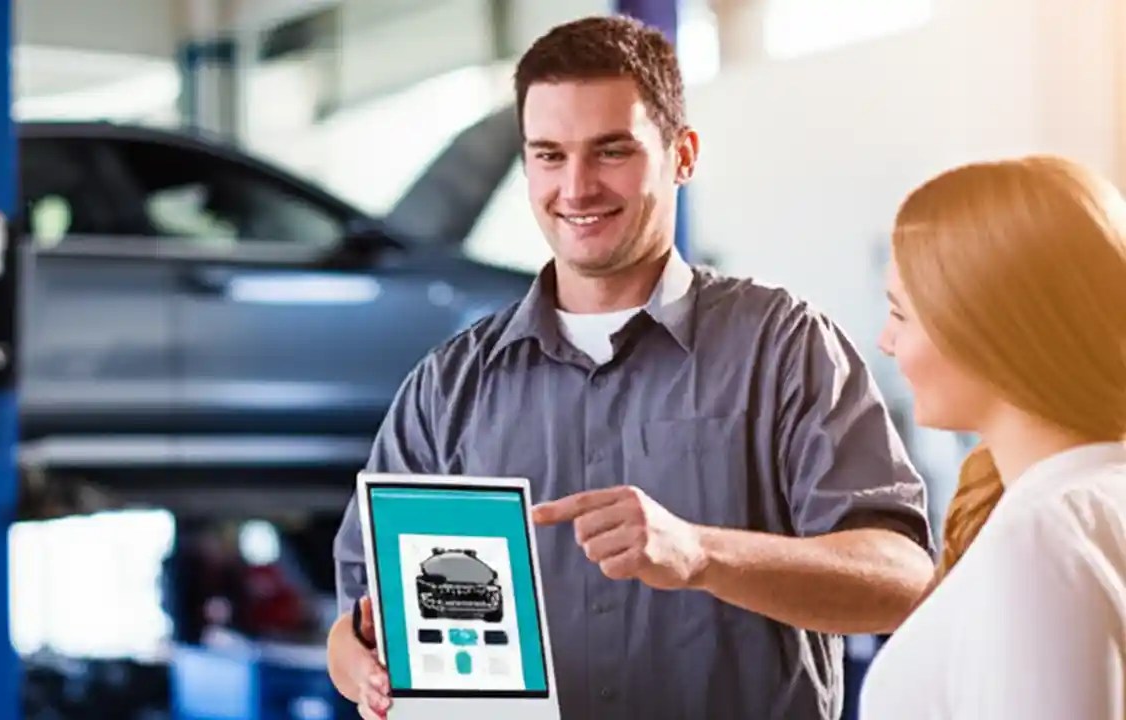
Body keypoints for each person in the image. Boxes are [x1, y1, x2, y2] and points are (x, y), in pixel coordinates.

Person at [329, 15, 936, 720]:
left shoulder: (784, 348)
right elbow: (355, 619)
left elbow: (901, 578)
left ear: (682, 155)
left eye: (610, 151)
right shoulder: (448, 388)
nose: (576, 187)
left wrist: (702, 554)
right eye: (549, 156)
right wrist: (361, 667)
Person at [859, 156, 1126, 718]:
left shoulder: (1044, 534)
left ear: (979, 325)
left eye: (900, 315)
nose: (885, 341)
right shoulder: (1090, 499)